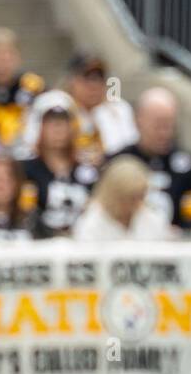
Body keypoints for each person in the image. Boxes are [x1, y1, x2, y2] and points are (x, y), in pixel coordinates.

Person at [115, 87, 191, 233]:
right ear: (138, 121)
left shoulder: (184, 164)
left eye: (169, 125)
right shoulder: (120, 162)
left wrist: (182, 231)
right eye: (158, 125)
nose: (164, 133)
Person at [20, 94, 97, 238]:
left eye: (63, 121)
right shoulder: (25, 170)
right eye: (50, 122)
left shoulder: (88, 170)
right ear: (37, 126)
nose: (58, 128)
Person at [72, 155, 170, 242]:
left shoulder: (151, 219)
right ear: (114, 196)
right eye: (131, 199)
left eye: (141, 197)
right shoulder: (90, 224)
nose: (138, 204)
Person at [64, 52, 136, 162]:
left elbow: (132, 149)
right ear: (72, 81)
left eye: (99, 78)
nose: (94, 85)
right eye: (87, 78)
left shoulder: (119, 109)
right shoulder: (61, 108)